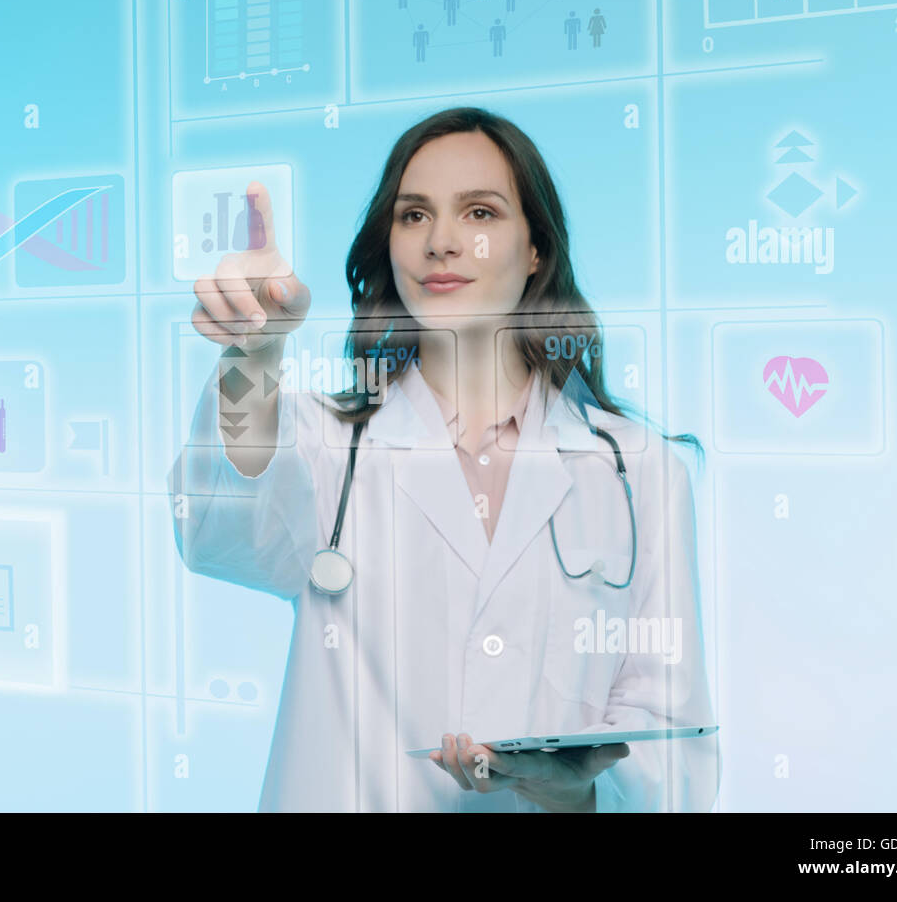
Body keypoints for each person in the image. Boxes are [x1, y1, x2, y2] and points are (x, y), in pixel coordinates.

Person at [169, 107, 719, 812]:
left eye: (481, 213)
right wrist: (254, 353)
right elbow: (223, 535)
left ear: (536, 251)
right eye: (414, 216)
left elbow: (672, 754)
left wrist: (576, 794)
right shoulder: (324, 440)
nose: (442, 242)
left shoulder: (639, 471)